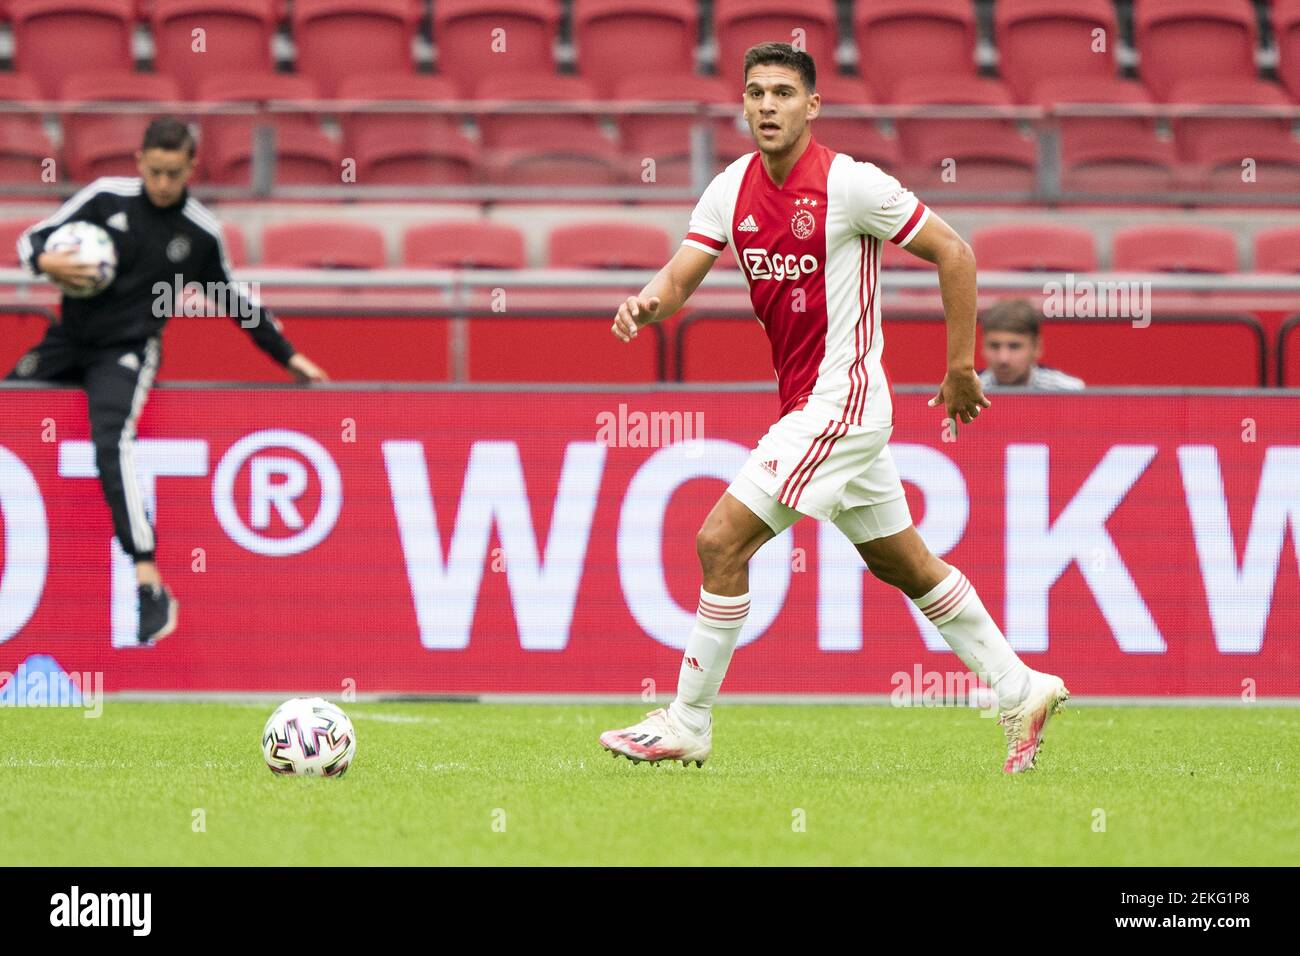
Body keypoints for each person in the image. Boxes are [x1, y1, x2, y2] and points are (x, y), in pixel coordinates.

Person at [601, 43, 1069, 774]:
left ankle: (688, 719)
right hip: (814, 405)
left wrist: (957, 367)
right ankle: (1021, 685)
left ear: (812, 107)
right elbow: (681, 274)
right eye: (755, 92)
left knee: (720, 542)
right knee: (905, 563)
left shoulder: (852, 186)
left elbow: (956, 252)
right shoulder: (730, 188)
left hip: (840, 404)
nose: (766, 106)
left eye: (783, 93)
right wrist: (646, 304)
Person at [8, 117, 329, 644]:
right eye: (154, 171)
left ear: (190, 169)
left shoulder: (197, 235)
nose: (161, 183)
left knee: (112, 442)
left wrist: (287, 355)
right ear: (139, 163)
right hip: (68, 340)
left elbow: (235, 302)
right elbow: (30, 241)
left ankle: (149, 580)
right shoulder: (105, 198)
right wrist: (47, 261)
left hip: (128, 351)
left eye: (172, 174)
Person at [979, 298, 1085, 391]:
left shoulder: (1069, 392)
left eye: (1014, 346)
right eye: (994, 346)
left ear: (1037, 348)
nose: (1003, 359)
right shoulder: (967, 395)